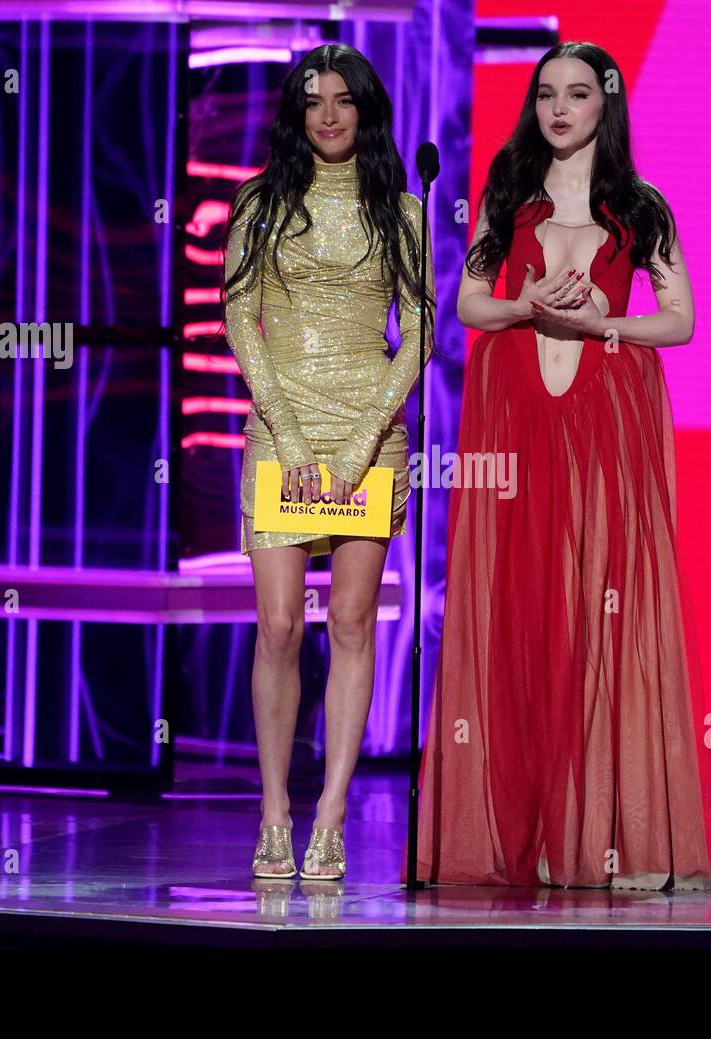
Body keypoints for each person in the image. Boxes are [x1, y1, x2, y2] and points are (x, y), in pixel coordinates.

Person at [412, 42, 711, 891]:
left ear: (605, 104)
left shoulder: (640, 207)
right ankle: (530, 826)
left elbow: (682, 320)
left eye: (577, 94)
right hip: (516, 420)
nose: (558, 108)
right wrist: (524, 305)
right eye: (546, 93)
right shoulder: (506, 193)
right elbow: (468, 302)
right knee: (520, 608)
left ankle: (597, 834)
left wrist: (599, 326)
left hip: (601, 426)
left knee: (597, 614)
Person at [222, 43, 434, 881]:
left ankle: (333, 816)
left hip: (370, 429)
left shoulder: (405, 212)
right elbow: (243, 323)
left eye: (344, 100)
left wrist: (354, 445)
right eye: (314, 101)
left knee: (351, 623)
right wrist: (300, 437)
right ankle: (274, 808)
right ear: (296, 113)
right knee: (278, 625)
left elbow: (416, 333)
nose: (329, 115)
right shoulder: (259, 201)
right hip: (283, 425)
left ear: (365, 109)